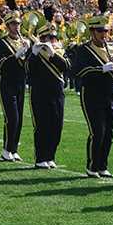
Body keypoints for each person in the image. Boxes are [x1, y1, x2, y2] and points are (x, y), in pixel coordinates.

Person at [71, 10, 113, 178]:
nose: (104, 34)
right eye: (100, 31)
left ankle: (103, 165)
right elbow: (78, 71)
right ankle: (92, 166)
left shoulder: (111, 48)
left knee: (109, 132)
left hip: (109, 93)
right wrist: (101, 69)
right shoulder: (83, 49)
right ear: (92, 32)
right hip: (91, 94)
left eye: (106, 31)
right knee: (97, 131)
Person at [26, 19, 69, 169]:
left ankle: (50, 156)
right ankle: (40, 158)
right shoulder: (34, 52)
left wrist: (53, 55)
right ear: (42, 38)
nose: (51, 41)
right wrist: (33, 54)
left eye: (53, 37)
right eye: (48, 38)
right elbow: (28, 70)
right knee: (42, 125)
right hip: (40, 93)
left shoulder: (59, 51)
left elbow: (66, 67)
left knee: (57, 125)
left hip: (57, 93)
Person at [0, 8, 29, 161]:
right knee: (12, 117)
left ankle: (14, 149)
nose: (16, 27)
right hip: (7, 82)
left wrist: (29, 51)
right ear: (7, 26)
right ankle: (6, 149)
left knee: (19, 118)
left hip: (20, 82)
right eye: (13, 24)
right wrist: (16, 55)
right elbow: (0, 64)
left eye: (18, 24)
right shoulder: (2, 42)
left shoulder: (23, 41)